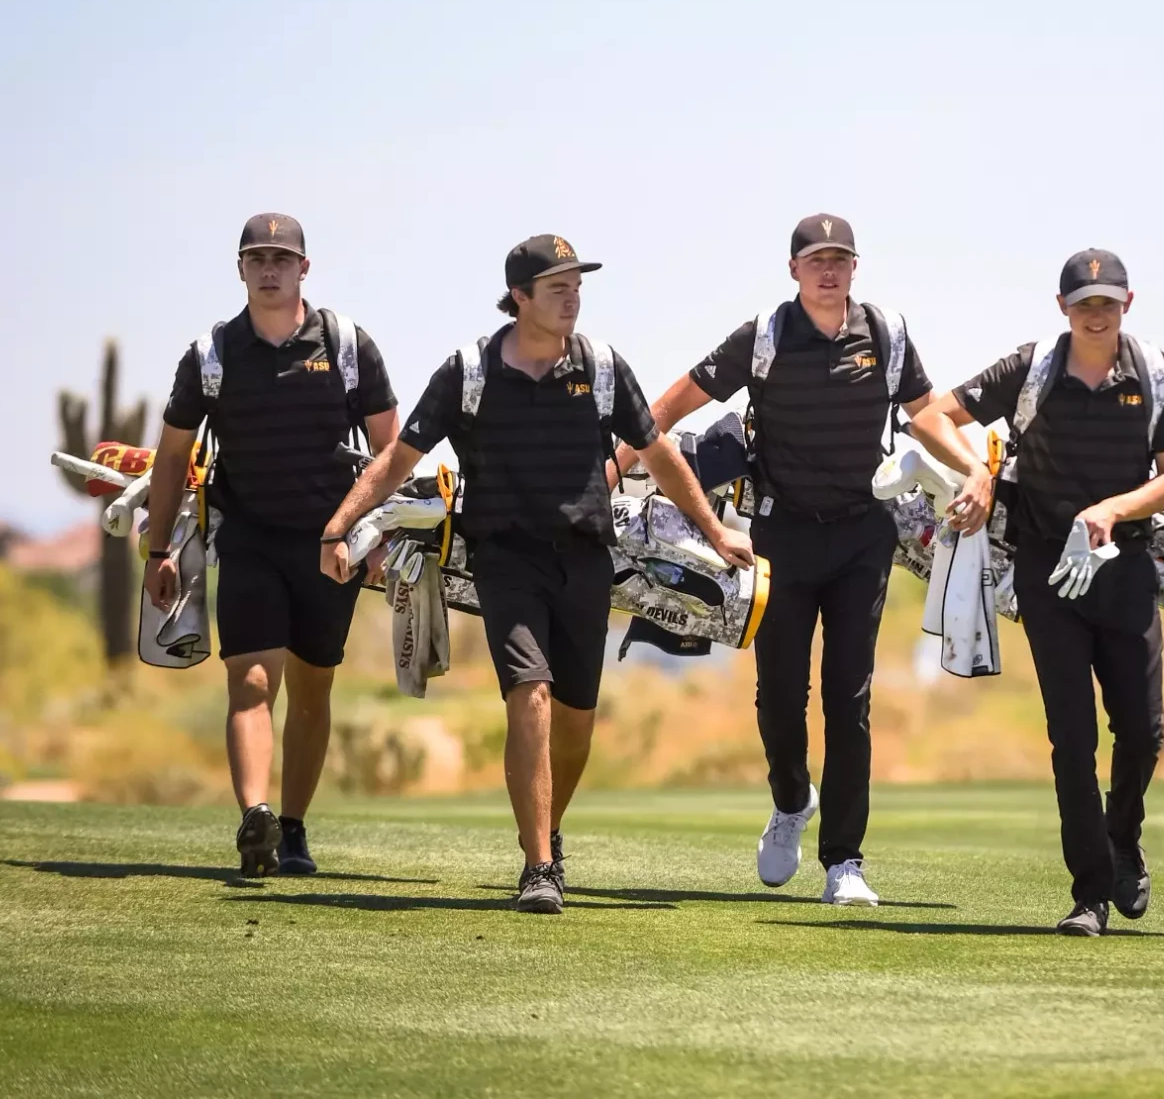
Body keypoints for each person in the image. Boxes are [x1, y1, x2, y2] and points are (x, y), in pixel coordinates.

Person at [320, 235, 754, 914]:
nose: (572, 296)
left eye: (577, 285)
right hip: (505, 561)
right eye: (557, 286)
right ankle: (539, 865)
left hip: (585, 561)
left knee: (576, 724)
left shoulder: (604, 368)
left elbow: (658, 453)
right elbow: (397, 460)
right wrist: (340, 524)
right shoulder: (468, 373)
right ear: (519, 297)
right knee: (532, 695)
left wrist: (715, 532)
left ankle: (546, 827)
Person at [614, 214, 965, 905]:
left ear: (855, 268)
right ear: (794, 269)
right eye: (816, 260)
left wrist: (976, 474)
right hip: (780, 538)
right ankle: (789, 801)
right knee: (779, 697)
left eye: (840, 259)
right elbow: (670, 403)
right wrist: (615, 463)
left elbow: (927, 415)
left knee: (849, 698)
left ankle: (845, 863)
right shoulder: (765, 336)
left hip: (863, 535)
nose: (828, 271)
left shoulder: (886, 335)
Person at [909, 249, 1164, 936]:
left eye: (1107, 302)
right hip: (1047, 573)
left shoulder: (1153, 372)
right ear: (1062, 308)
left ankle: (1123, 837)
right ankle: (1090, 893)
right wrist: (978, 470)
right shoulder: (1030, 367)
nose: (1095, 314)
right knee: (1072, 737)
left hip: (1123, 566)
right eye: (1083, 303)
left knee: (1144, 733)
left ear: (1128, 304)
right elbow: (930, 417)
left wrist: (1112, 511)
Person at [144, 213, 401, 878]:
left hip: (329, 545)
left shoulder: (347, 346)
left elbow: (388, 454)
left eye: (281, 259)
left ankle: (292, 830)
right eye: (256, 257)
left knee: (313, 690)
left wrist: (378, 538)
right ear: (239, 269)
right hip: (250, 538)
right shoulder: (211, 355)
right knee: (251, 676)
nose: (268, 268)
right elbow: (173, 458)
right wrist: (161, 549)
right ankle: (253, 815)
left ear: (303, 269)